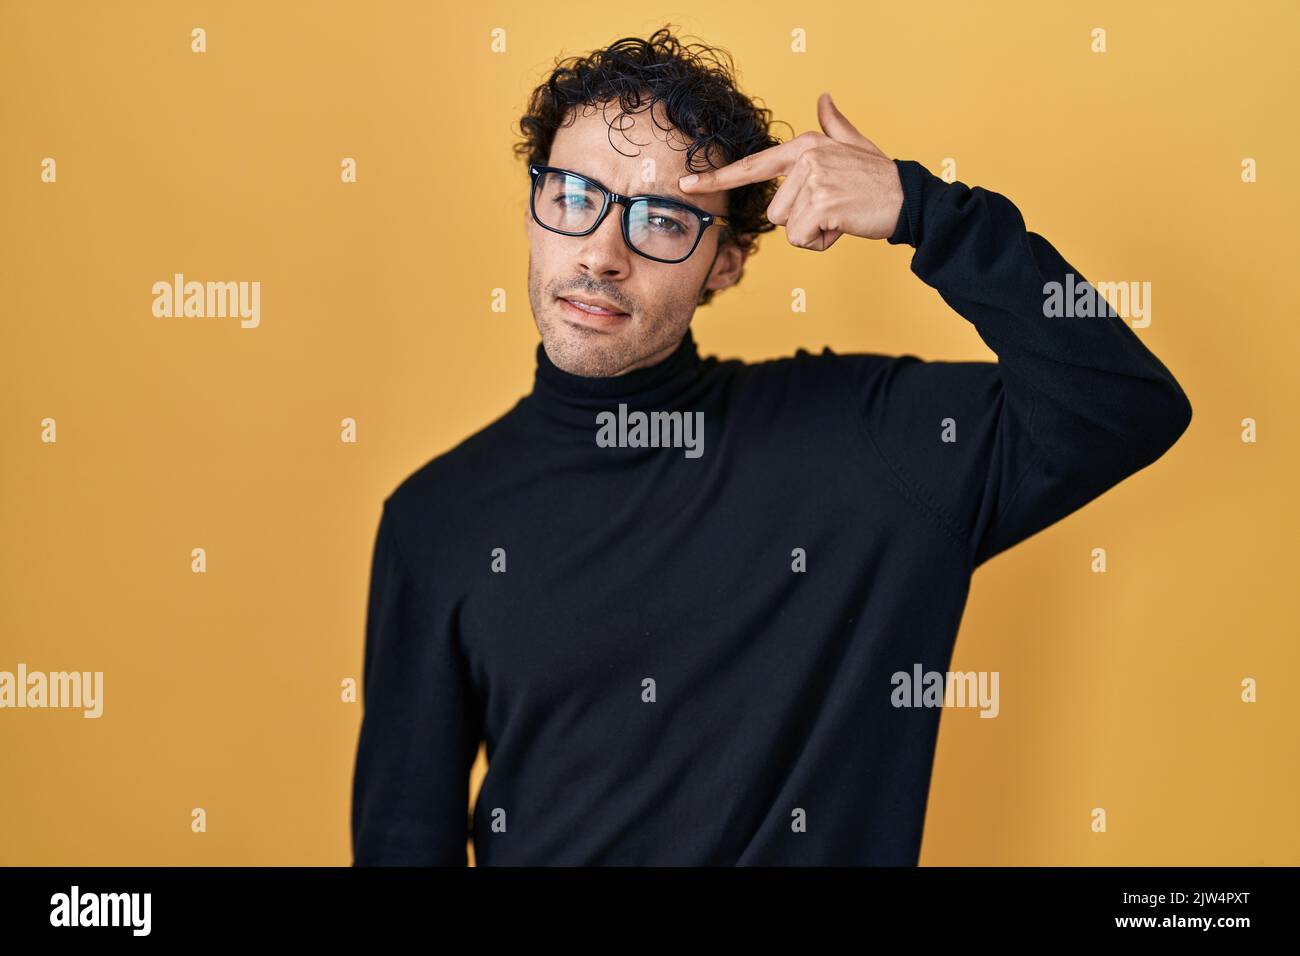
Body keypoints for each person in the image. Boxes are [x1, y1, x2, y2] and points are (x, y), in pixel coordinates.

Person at [350, 27, 1192, 865]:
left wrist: (927, 212)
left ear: (727, 263)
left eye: (663, 219)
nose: (603, 254)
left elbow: (1120, 406)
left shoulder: (869, 445)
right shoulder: (438, 520)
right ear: (535, 214)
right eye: (573, 197)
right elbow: (401, 842)